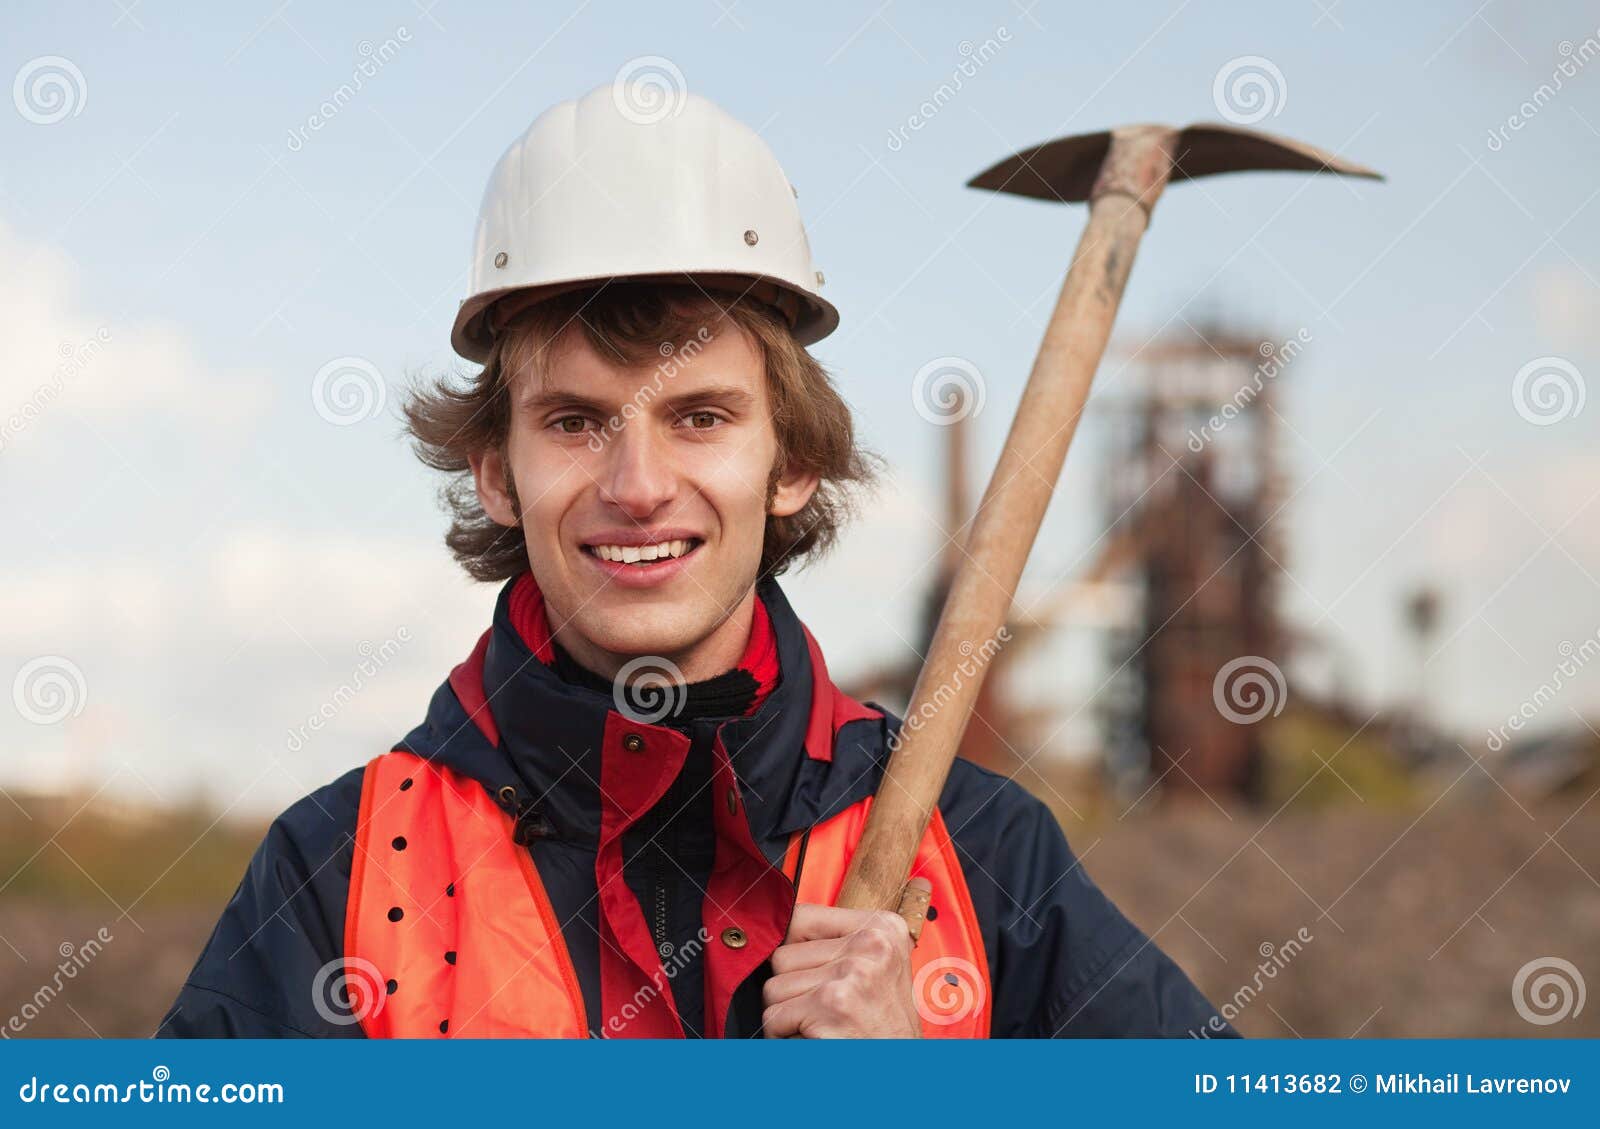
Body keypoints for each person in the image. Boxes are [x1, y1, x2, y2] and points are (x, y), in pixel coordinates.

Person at [158, 84, 1232, 1039]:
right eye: (576, 422)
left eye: (700, 416)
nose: (636, 483)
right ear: (495, 471)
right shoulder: (341, 873)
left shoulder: (984, 855)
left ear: (794, 459)